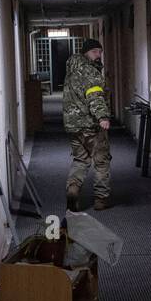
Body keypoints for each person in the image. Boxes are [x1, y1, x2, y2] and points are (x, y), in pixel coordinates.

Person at [63, 38, 112, 211]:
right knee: (101, 161)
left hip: (73, 126)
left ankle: (73, 189)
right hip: (91, 125)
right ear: (85, 53)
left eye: (100, 51)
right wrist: (102, 117)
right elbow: (95, 96)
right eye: (94, 52)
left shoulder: (71, 70)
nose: (98, 55)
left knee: (80, 160)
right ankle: (101, 199)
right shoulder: (90, 72)